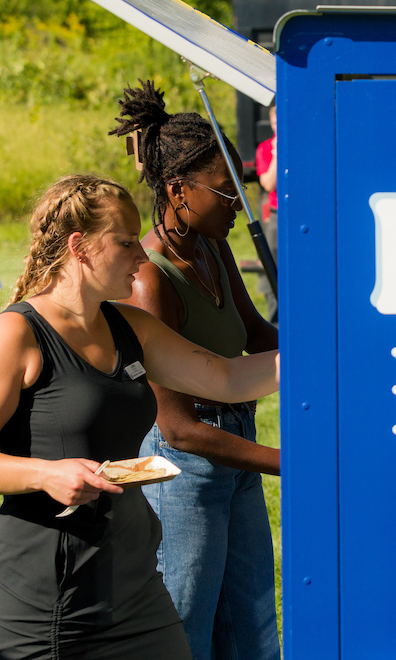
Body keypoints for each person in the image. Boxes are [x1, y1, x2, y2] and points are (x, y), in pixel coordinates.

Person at [0, 174, 279, 659]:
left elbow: (227, 378)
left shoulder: (131, 326)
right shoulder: (18, 334)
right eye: (126, 242)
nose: (142, 256)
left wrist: (322, 352)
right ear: (79, 247)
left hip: (135, 586)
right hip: (50, 599)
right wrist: (45, 474)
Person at [109, 81, 281, 660]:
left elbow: (255, 334)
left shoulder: (212, 246)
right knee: (187, 625)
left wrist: (335, 351)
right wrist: (289, 463)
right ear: (178, 190)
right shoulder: (149, 280)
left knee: (252, 623)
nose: (239, 202)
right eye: (226, 189)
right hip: (185, 464)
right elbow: (178, 428)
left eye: (242, 186)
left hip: (236, 442)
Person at [255, 104, 278, 325]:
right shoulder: (265, 149)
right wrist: (277, 154)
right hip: (277, 216)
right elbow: (269, 183)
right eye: (274, 124)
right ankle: (275, 323)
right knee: (273, 269)